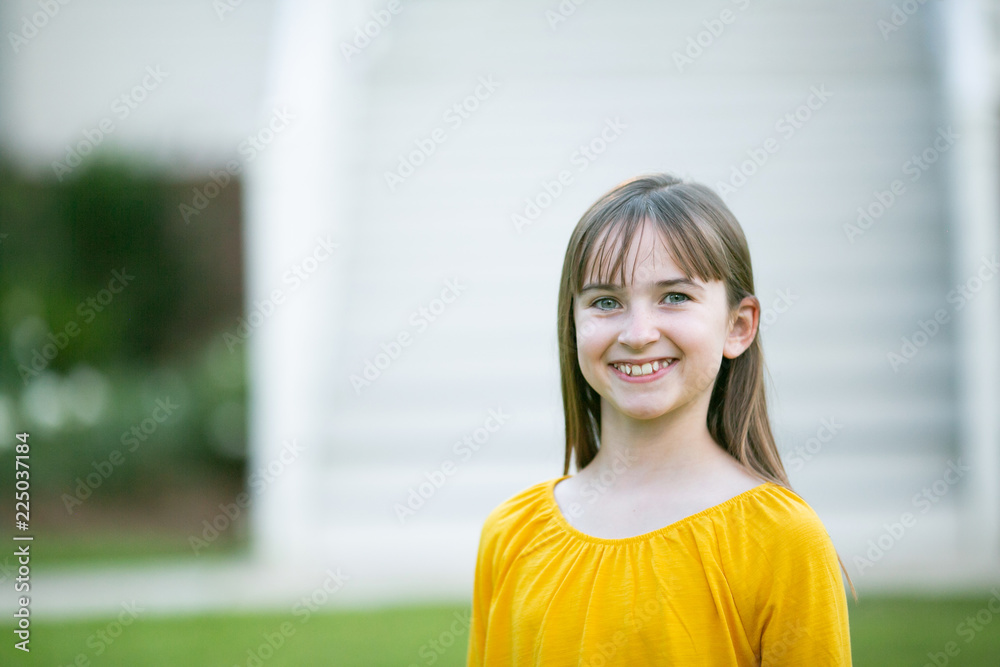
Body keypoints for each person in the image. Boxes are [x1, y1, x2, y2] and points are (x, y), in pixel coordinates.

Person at [466, 173, 856, 666]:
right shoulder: (510, 534)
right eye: (605, 302)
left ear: (738, 327)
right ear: (573, 325)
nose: (637, 333)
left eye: (674, 297)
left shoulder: (782, 540)